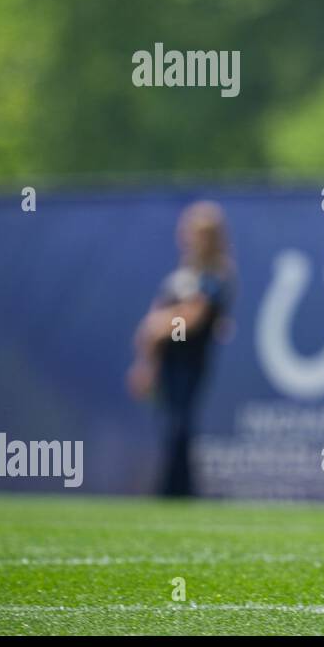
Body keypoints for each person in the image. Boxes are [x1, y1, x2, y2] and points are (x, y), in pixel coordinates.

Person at [127, 200, 235, 497]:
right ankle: (176, 489)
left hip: (190, 361)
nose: (188, 238)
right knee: (170, 424)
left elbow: (192, 318)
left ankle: (176, 490)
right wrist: (147, 359)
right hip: (168, 360)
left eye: (197, 233)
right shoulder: (179, 277)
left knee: (181, 423)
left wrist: (163, 324)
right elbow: (156, 320)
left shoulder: (215, 276)